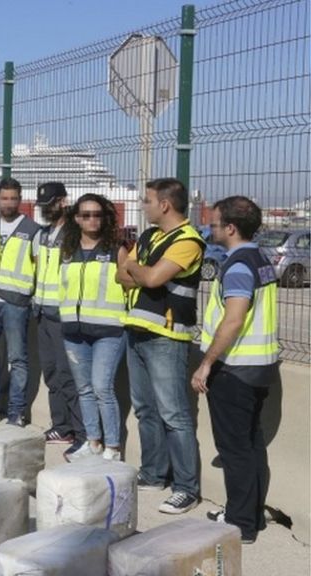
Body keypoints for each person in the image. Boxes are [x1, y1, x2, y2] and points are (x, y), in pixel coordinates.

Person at [192, 196, 278, 544]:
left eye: (213, 224)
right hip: (260, 368)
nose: (209, 229)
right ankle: (251, 516)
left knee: (234, 449)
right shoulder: (261, 258)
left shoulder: (239, 265)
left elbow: (234, 319)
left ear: (230, 228)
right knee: (251, 444)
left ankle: (240, 524)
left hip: (235, 369)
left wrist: (207, 363)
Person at [118, 177, 205, 515]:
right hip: (137, 330)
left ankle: (186, 487)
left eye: (148, 200)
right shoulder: (150, 235)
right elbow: (121, 276)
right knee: (145, 409)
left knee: (174, 414)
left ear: (165, 205)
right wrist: (138, 269)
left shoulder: (189, 240)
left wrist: (134, 267)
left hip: (167, 338)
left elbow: (151, 278)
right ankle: (154, 473)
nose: (144, 205)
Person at [58, 193, 129, 463]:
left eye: (97, 214)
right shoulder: (68, 250)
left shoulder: (116, 249)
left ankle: (112, 447)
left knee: (102, 388)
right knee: (84, 389)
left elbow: (129, 285)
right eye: (86, 215)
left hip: (108, 331)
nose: (92, 220)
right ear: (76, 218)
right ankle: (93, 441)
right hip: (74, 331)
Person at [0, 177, 41, 426]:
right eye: (4, 198)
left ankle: (16, 411)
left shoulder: (32, 230)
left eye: (14, 198)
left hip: (15, 302)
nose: (9, 203)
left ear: (20, 200)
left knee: (18, 358)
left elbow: (37, 265)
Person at [34, 182, 86, 447]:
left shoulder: (73, 234)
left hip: (63, 314)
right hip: (43, 311)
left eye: (50, 205)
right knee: (52, 373)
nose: (45, 210)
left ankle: (80, 432)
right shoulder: (44, 234)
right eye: (42, 206)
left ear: (63, 202)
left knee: (68, 376)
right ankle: (61, 425)